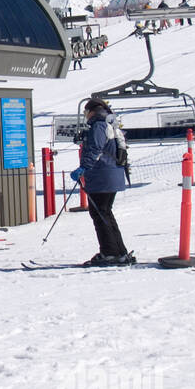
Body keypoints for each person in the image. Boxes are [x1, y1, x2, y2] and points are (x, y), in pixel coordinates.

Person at [72, 98, 133, 266]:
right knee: (105, 212)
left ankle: (109, 252)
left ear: (93, 111)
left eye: (86, 112)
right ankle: (119, 251)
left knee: (100, 213)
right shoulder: (109, 124)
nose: (86, 116)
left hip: (102, 175)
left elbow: (95, 148)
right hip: (110, 174)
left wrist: (83, 167)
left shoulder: (99, 125)